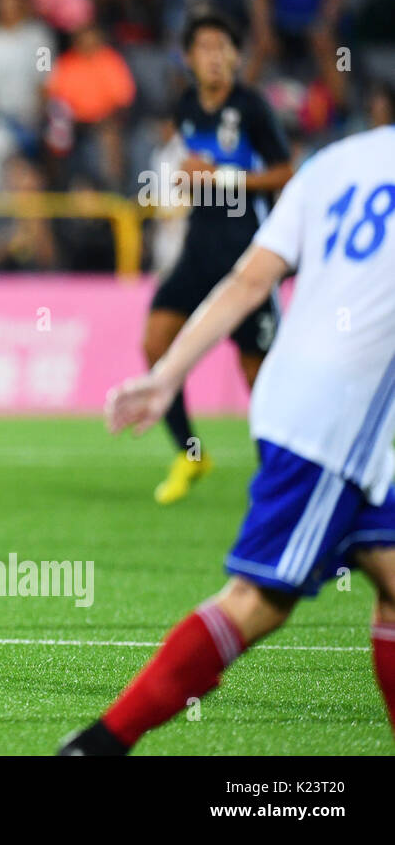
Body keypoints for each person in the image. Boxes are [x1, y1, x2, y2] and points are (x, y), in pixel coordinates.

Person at [61, 124, 395, 755]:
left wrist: (165, 379)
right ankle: (96, 747)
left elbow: (248, 281)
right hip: (337, 423)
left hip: (294, 398)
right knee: (257, 601)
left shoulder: (331, 164)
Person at [145, 9, 292, 504]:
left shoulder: (252, 108)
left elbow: (286, 173)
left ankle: (283, 473)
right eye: (204, 47)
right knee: (155, 342)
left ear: (235, 56)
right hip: (198, 249)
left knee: (257, 376)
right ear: (188, 58)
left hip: (246, 252)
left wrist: (223, 178)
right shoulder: (186, 106)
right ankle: (190, 452)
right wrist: (189, 177)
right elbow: (193, 167)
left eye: (223, 47)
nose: (215, 56)